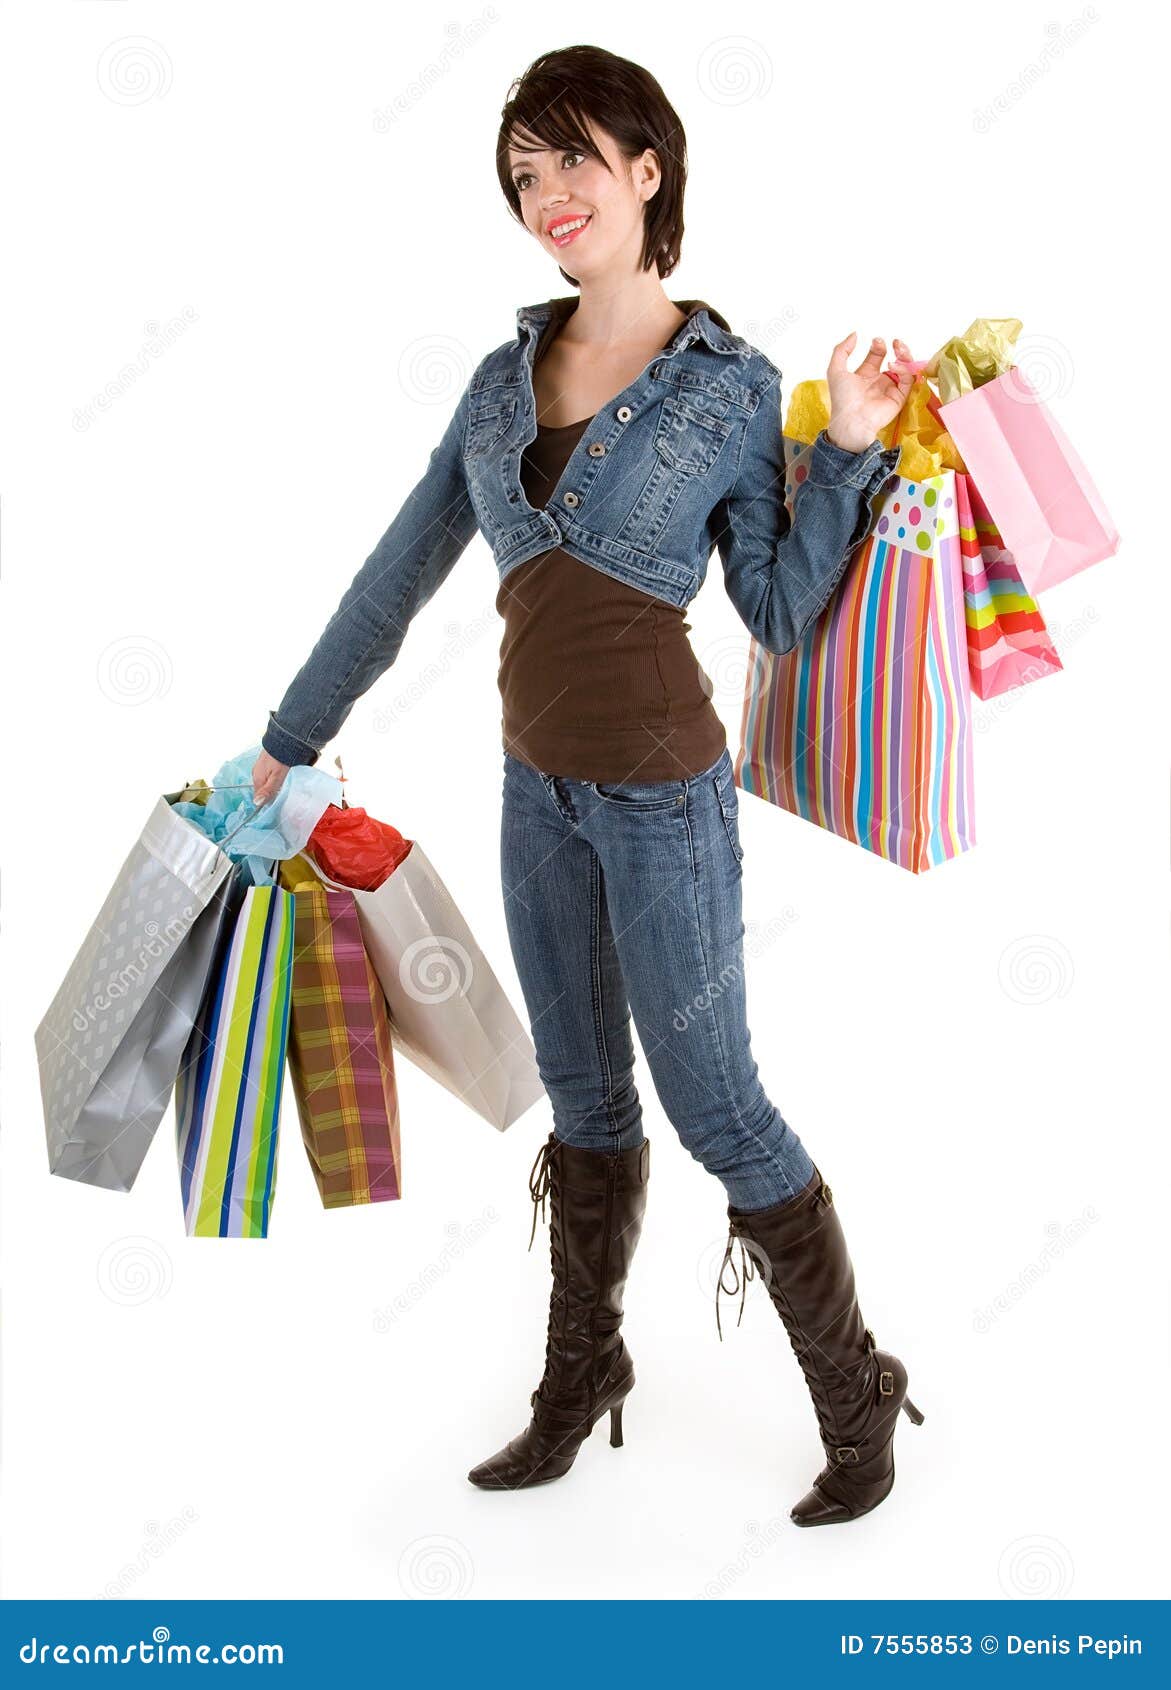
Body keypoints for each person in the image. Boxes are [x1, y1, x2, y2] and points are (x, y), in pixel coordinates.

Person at [251, 44, 923, 1527]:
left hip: (664, 799)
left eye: (573, 161)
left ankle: (857, 1394)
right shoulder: (501, 386)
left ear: (647, 168)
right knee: (582, 1096)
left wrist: (855, 454)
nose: (549, 195)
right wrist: (287, 737)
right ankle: (582, 1374)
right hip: (533, 792)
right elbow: (395, 579)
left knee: (720, 1107)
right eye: (524, 175)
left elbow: (780, 606)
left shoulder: (736, 388)